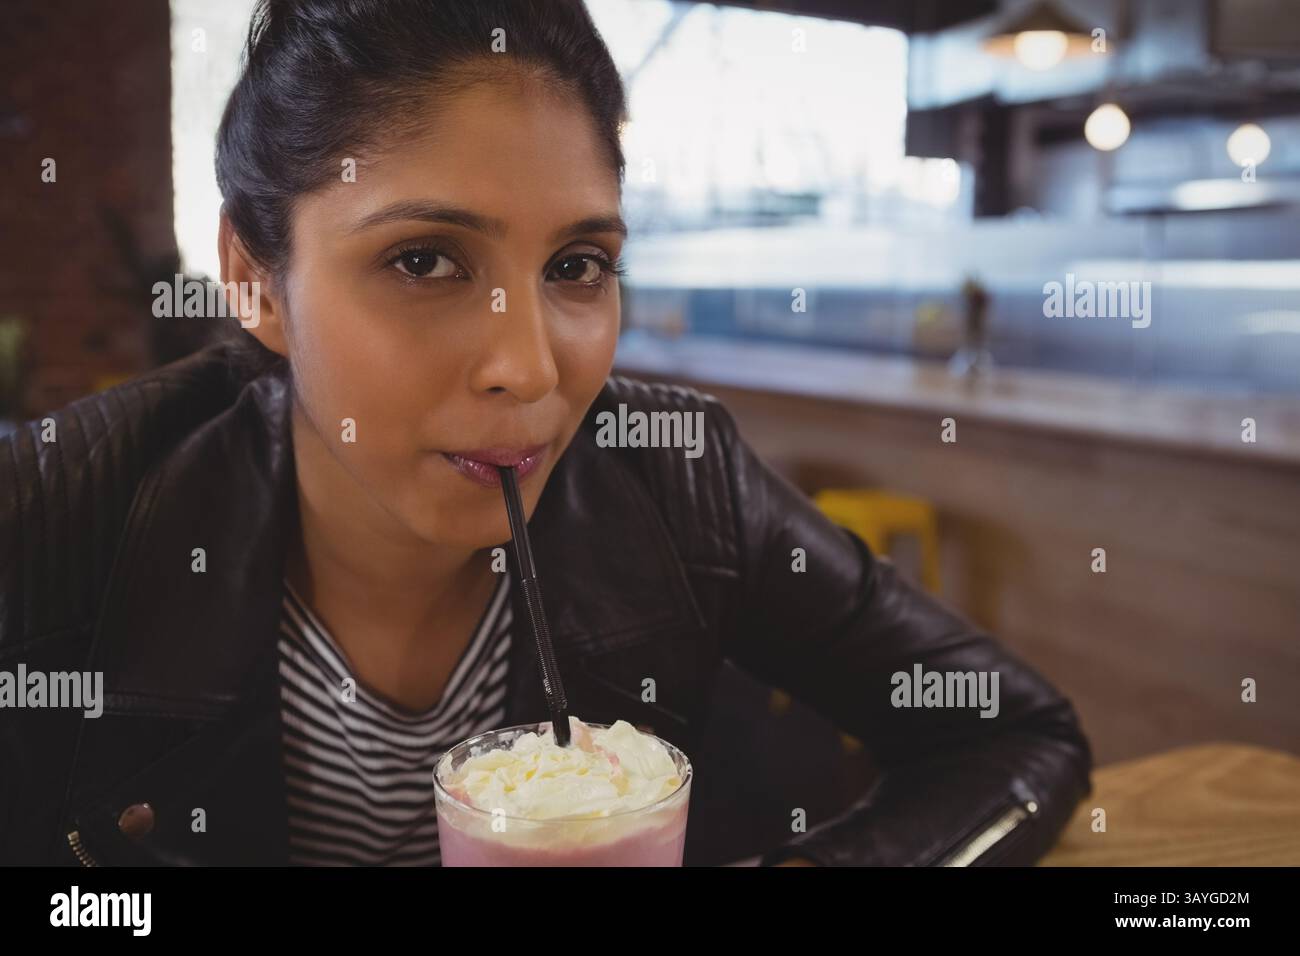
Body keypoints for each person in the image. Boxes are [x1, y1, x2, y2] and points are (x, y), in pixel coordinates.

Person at [0, 0, 1091, 866]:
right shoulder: (63, 511)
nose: (526, 365)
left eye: (576, 267)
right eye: (424, 259)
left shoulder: (674, 478)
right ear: (255, 280)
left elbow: (1016, 734)